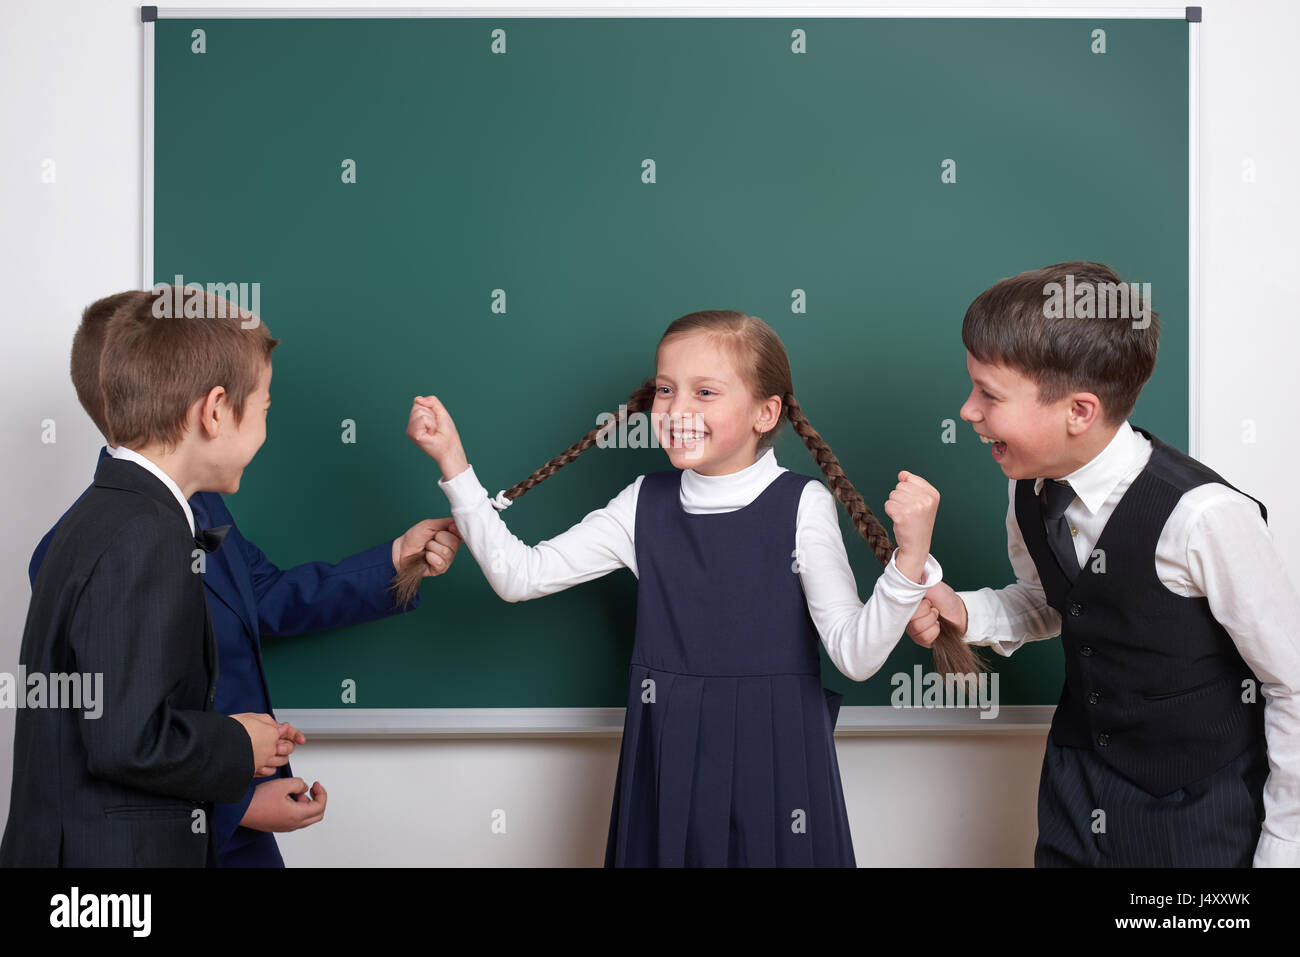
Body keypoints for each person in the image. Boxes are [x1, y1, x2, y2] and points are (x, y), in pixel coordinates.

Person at [397, 309, 943, 866]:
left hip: (777, 764)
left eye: (705, 392)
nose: (677, 411)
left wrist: (911, 558)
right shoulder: (643, 502)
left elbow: (855, 655)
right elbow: (520, 576)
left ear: (765, 412)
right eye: (665, 389)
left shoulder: (802, 504)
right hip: (667, 761)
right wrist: (454, 464)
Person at [24, 289, 463, 867]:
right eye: (264, 409)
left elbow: (259, 595)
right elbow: (120, 742)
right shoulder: (132, 537)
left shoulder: (184, 513)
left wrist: (394, 560)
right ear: (213, 410)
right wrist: (238, 763)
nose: (266, 429)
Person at [906, 261, 1300, 867]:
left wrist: (1283, 849)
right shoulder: (1028, 488)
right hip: (1074, 786)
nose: (968, 411)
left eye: (989, 393)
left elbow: (1291, 683)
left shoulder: (1203, 518)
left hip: (1198, 811)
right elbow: (1053, 601)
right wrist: (964, 611)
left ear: (1080, 411)